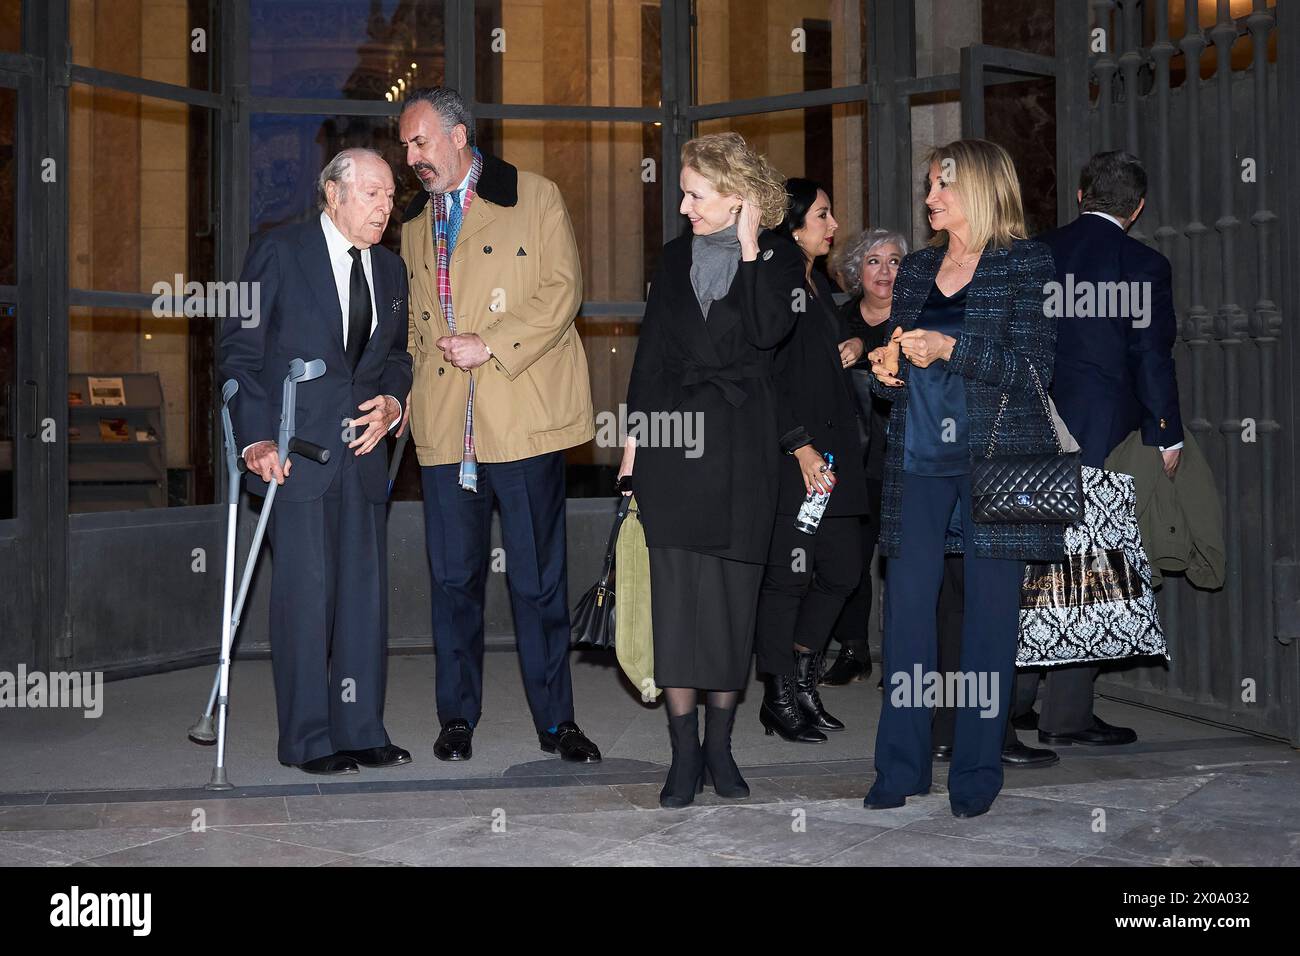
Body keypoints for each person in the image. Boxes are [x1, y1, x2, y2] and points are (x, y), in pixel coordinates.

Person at [397, 87, 601, 764]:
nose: (412, 157)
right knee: (453, 581)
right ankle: (456, 717)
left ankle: (556, 722)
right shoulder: (409, 225)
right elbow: (412, 335)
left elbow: (562, 290)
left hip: (520, 416)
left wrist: (493, 342)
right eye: (405, 146)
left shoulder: (533, 196)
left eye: (420, 142)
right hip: (444, 425)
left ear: (458, 136)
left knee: (537, 580)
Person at [864, 138, 1062, 818]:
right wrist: (887, 371)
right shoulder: (916, 271)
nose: (929, 199)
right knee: (908, 622)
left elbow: (1035, 373)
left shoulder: (1027, 262)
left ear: (977, 187)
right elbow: (895, 377)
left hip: (996, 465)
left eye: (941, 186)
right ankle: (900, 768)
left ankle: (976, 774)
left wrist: (952, 348)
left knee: (987, 625)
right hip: (918, 463)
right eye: (928, 186)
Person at [618, 132, 803, 808]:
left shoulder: (780, 262)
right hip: (673, 445)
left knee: (728, 610)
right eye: (684, 193)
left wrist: (752, 247)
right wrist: (634, 442)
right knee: (675, 609)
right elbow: (651, 356)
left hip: (741, 455)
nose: (684, 206)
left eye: (696, 194)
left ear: (735, 199)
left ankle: (721, 748)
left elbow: (764, 333)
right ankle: (683, 753)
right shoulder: (671, 260)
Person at [219, 148, 412, 775]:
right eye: (374, 194)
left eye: (390, 197)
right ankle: (308, 740)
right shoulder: (277, 252)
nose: (387, 207)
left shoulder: (390, 271)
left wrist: (393, 404)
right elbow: (238, 356)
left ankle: (360, 728)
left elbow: (397, 361)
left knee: (362, 600)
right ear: (334, 193)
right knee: (304, 600)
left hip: (361, 459)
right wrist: (254, 442)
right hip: (293, 460)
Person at [1014, 149, 1182, 748]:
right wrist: (1166, 432)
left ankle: (1014, 703)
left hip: (1028, 430)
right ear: (1136, 208)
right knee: (1089, 571)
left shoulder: (1033, 253)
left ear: (1081, 194)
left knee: (1033, 562)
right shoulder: (1143, 264)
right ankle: (1068, 718)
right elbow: (1150, 355)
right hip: (1101, 435)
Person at [753, 179, 870, 744]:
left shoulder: (818, 282)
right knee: (788, 578)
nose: (833, 225)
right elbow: (765, 371)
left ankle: (803, 680)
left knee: (844, 568)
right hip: (797, 456)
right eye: (823, 214)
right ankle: (778, 696)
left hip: (835, 455)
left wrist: (847, 348)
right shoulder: (776, 271)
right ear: (794, 222)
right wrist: (796, 444)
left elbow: (810, 353)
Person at [821, 228, 908, 686]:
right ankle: (853, 648)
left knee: (904, 561)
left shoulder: (917, 321)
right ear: (857, 271)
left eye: (894, 261)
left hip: (906, 457)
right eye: (874, 262)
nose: (885, 271)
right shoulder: (839, 321)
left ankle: (905, 657)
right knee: (850, 558)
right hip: (853, 460)